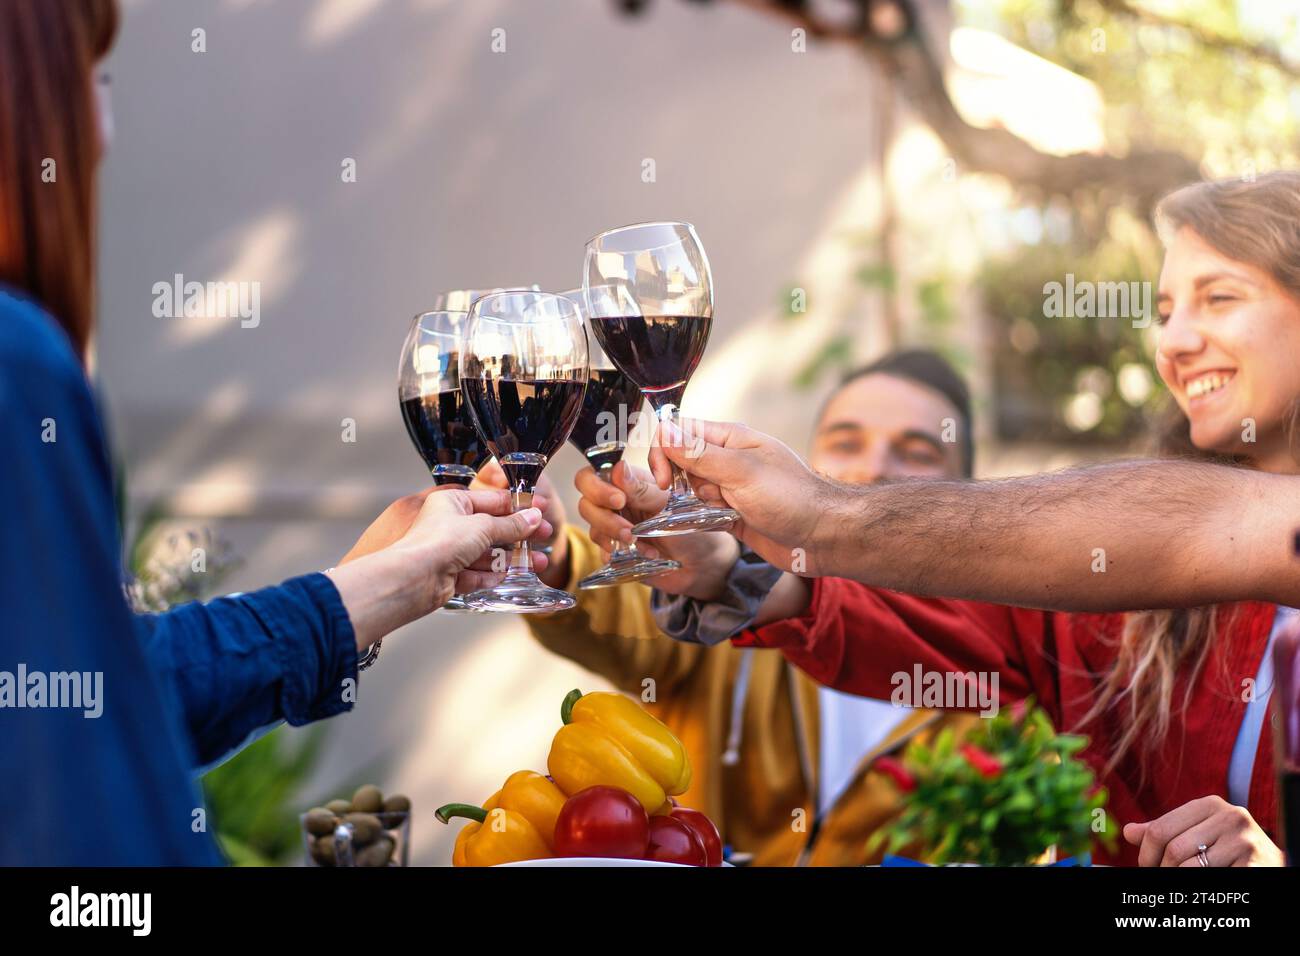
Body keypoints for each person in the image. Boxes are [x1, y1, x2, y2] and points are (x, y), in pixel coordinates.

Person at [604, 173, 1300, 866]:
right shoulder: (1116, 582)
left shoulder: (1160, 525)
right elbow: (943, 616)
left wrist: (822, 509)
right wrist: (730, 569)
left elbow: (1208, 526)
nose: (1173, 342)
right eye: (1166, 310)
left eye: (1220, 298)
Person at [0, 0, 550, 864]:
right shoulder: (15, 362)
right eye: (90, 80)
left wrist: (378, 584)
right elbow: (91, 815)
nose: (103, 128)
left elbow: (100, 694)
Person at [477, 350, 982, 864]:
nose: (874, 469)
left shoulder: (998, 672)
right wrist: (550, 554)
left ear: (967, 491)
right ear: (808, 466)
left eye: (917, 451)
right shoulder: (730, 619)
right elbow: (621, 616)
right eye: (847, 442)